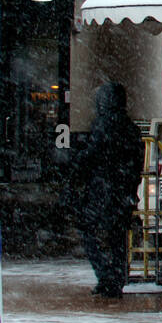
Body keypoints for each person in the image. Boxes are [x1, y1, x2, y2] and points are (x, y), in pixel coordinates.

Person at [64, 82, 145, 298]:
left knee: (89, 232)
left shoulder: (103, 125)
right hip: (123, 192)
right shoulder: (130, 127)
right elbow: (137, 160)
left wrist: (75, 166)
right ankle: (117, 278)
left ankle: (106, 276)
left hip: (103, 191)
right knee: (118, 237)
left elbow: (92, 155)